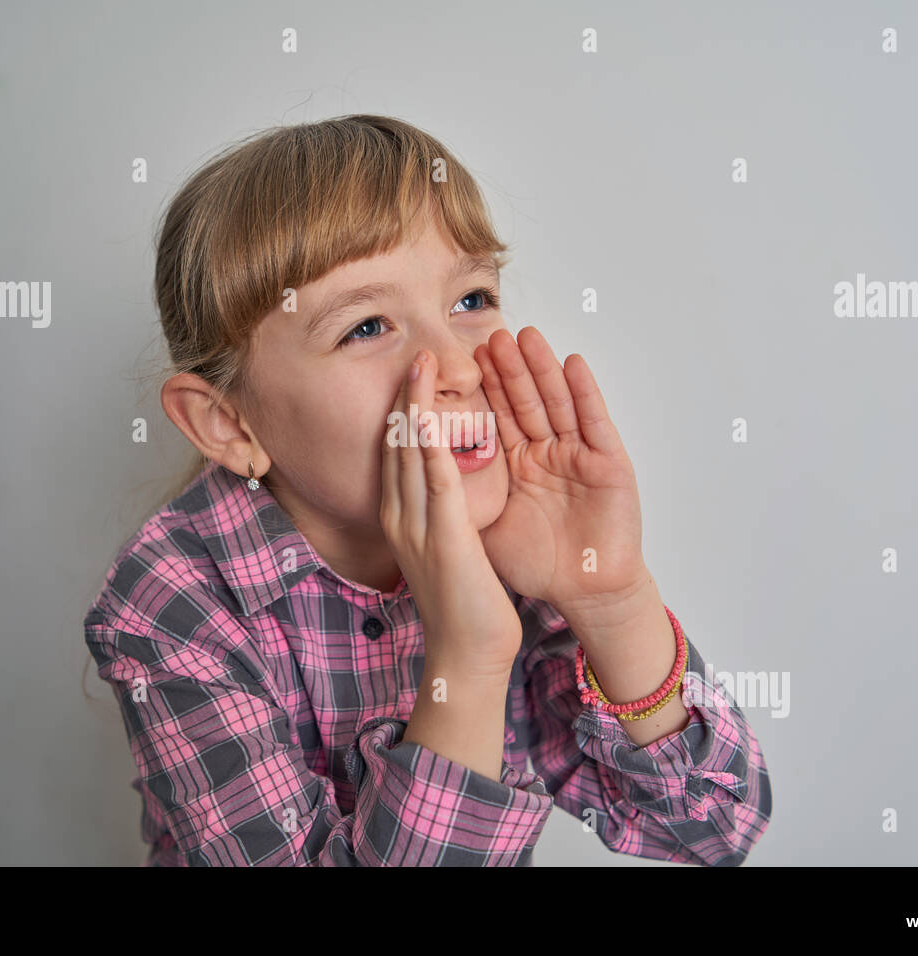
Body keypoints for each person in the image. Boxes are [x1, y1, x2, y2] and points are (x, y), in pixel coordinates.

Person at [82, 114, 771, 866]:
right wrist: (468, 656)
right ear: (228, 424)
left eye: (471, 299)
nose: (457, 363)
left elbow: (715, 828)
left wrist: (611, 599)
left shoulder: (514, 532)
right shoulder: (173, 602)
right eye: (368, 325)